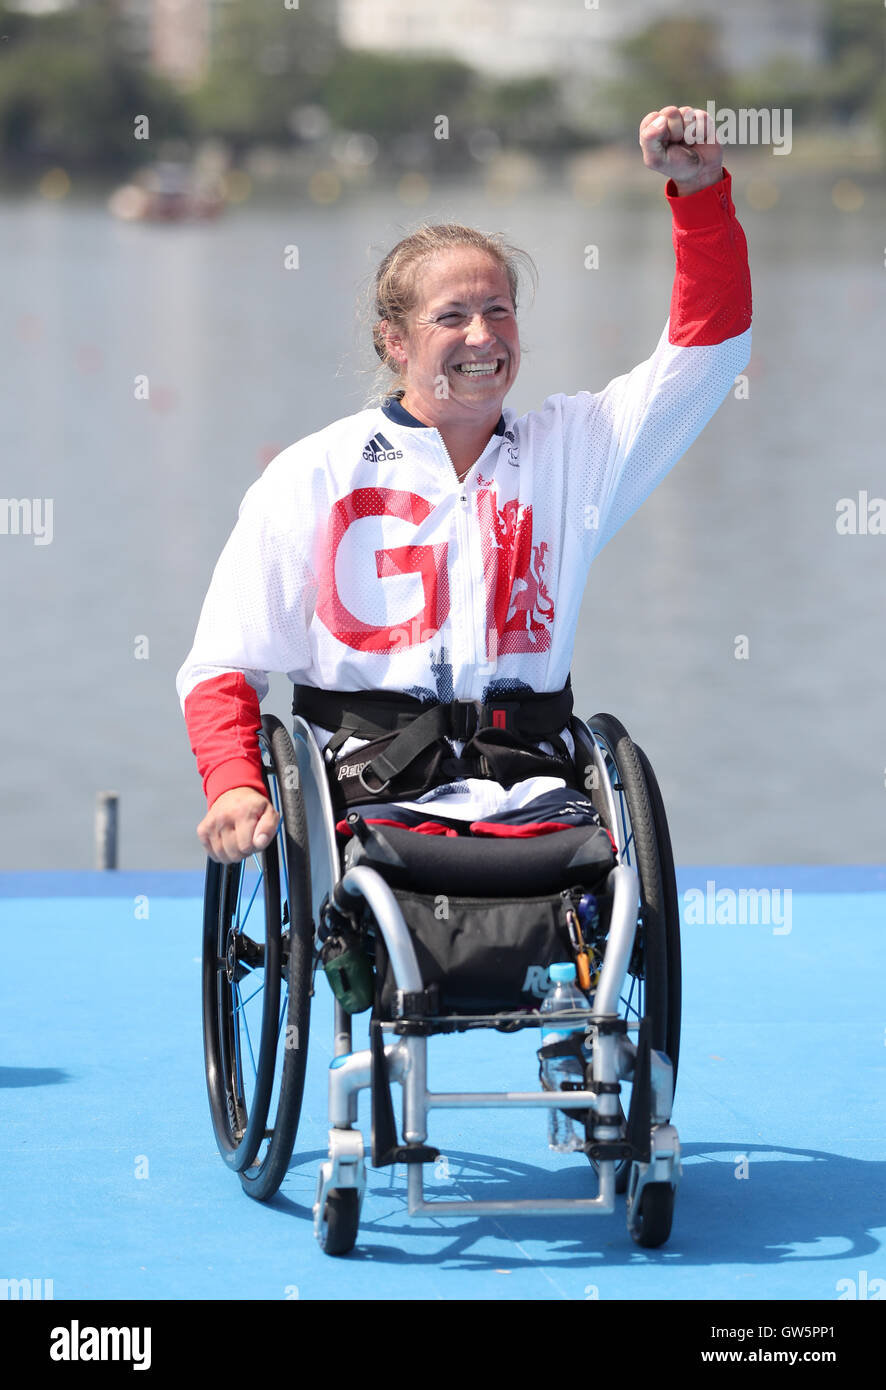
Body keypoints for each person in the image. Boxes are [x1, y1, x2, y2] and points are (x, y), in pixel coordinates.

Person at [177, 105, 751, 865]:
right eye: (452, 317)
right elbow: (224, 661)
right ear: (394, 340)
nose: (482, 337)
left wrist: (702, 190)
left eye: (499, 311)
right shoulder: (312, 474)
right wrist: (233, 783)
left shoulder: (573, 451)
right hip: (364, 791)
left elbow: (707, 353)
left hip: (534, 783)